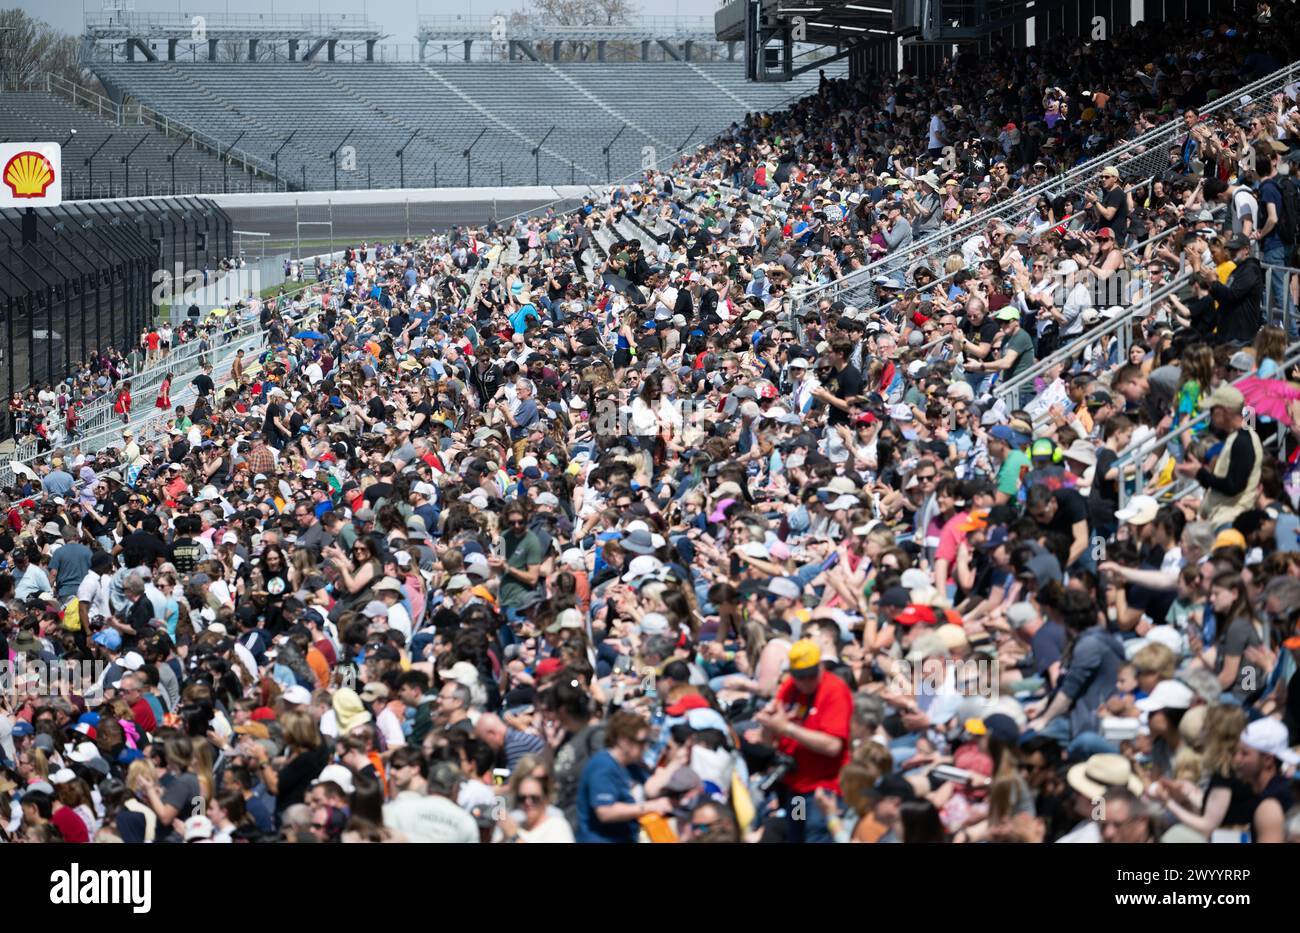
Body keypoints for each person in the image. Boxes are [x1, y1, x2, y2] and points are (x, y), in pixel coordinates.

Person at [755, 640, 852, 843]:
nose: (806, 682)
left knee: (816, 835)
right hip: (797, 788)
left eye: (811, 675)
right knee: (796, 836)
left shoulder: (834, 690)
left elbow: (833, 746)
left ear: (821, 667)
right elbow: (768, 738)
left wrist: (787, 729)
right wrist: (768, 724)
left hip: (824, 788)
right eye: (801, 677)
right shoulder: (791, 686)